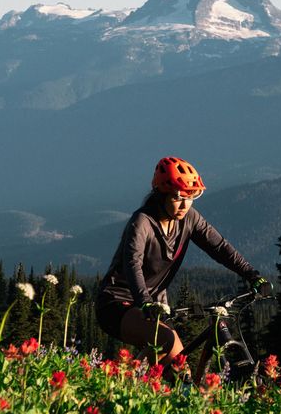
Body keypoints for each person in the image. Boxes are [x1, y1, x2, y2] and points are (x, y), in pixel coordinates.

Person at [96, 157, 270, 369]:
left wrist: (253, 275)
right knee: (166, 340)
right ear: (161, 195)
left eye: (192, 197)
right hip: (118, 303)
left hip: (155, 306)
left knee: (179, 371)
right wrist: (144, 302)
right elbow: (133, 262)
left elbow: (220, 248)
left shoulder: (189, 218)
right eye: (178, 197)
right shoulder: (142, 222)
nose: (185, 205)